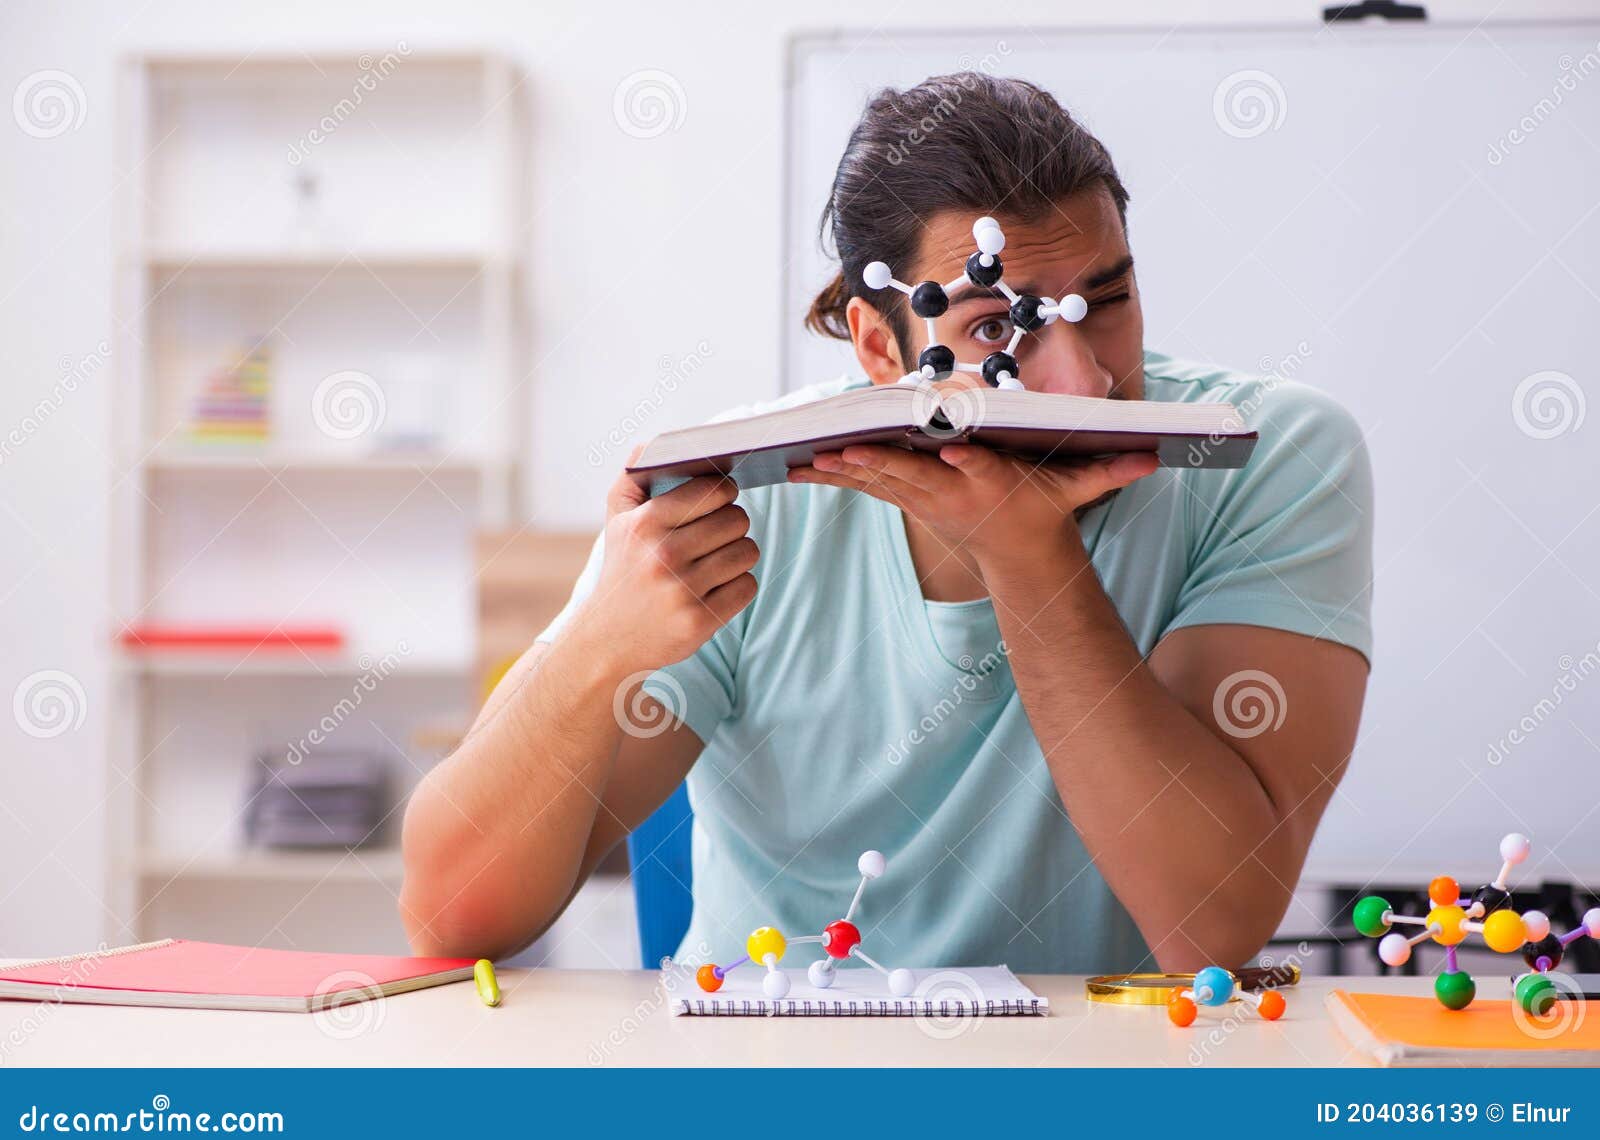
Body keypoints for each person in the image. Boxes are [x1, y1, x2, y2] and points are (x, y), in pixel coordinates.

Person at [399, 72, 1373, 974]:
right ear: (878, 347)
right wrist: (586, 651)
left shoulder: (1269, 456)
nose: (1084, 382)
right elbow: (453, 918)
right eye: (996, 330)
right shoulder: (752, 494)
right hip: (776, 1078)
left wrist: (1027, 554)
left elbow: (1210, 926)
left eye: (1106, 301)